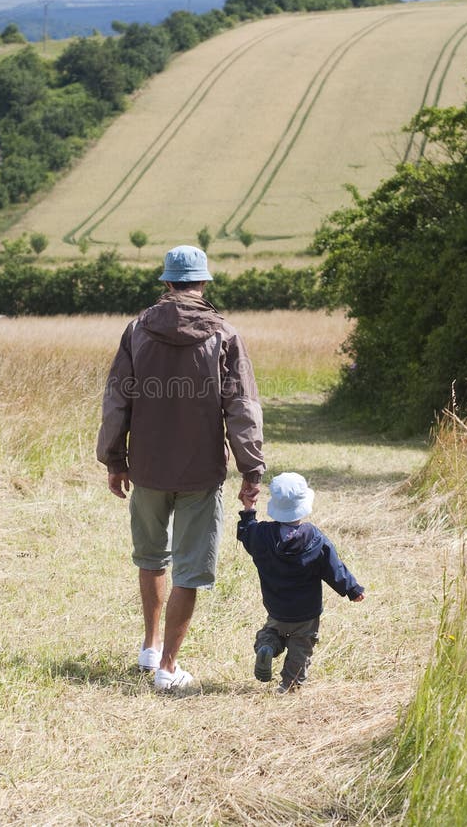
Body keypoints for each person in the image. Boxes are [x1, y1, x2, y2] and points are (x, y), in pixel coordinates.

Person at [97, 245, 265, 691]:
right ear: (203, 284)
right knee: (190, 569)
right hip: (201, 472)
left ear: (167, 283)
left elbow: (117, 400)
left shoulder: (136, 331)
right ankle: (168, 668)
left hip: (146, 469)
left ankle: (150, 647)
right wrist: (251, 470)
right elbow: (242, 407)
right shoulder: (226, 335)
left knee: (151, 559)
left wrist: (115, 459)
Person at [237, 472, 365, 693]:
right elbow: (334, 568)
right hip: (306, 613)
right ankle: (289, 685)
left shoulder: (262, 535)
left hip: (276, 609)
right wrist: (352, 589)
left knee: (272, 632)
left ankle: (267, 645)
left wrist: (249, 509)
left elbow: (247, 532)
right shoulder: (315, 539)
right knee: (301, 648)